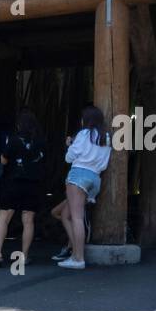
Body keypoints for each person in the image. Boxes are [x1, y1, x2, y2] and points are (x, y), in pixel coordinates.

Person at [56, 105, 112, 270]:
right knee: (66, 215)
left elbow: (69, 157)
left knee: (77, 217)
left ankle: (78, 258)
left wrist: (69, 145)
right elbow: (103, 162)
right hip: (95, 178)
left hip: (78, 176)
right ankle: (74, 253)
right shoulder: (106, 137)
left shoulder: (83, 134)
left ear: (87, 119)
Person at [0, 110, 46, 267]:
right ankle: (23, 256)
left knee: (4, 218)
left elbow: (3, 160)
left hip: (12, 183)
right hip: (32, 185)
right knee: (28, 220)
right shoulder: (40, 141)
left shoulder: (14, 140)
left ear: (19, 125)